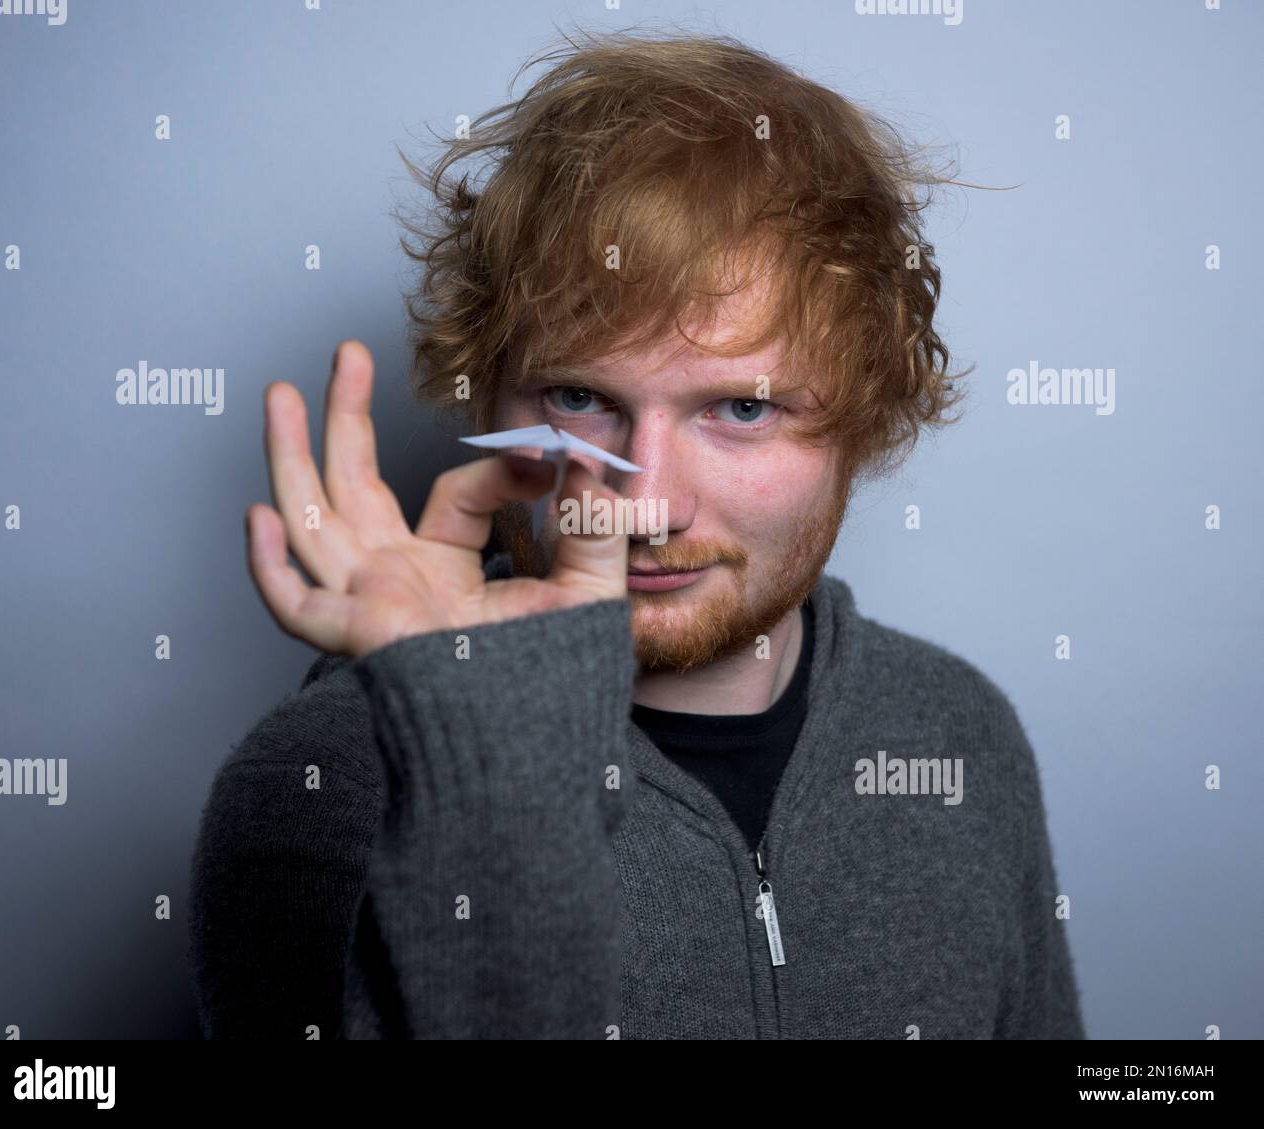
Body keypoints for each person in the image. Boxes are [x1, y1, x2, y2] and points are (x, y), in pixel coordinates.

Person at [187, 28, 1084, 1039]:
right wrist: (481, 769)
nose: (644, 503)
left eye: (740, 408)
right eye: (580, 397)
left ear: (864, 415)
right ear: (489, 397)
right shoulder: (332, 777)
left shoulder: (957, 732)